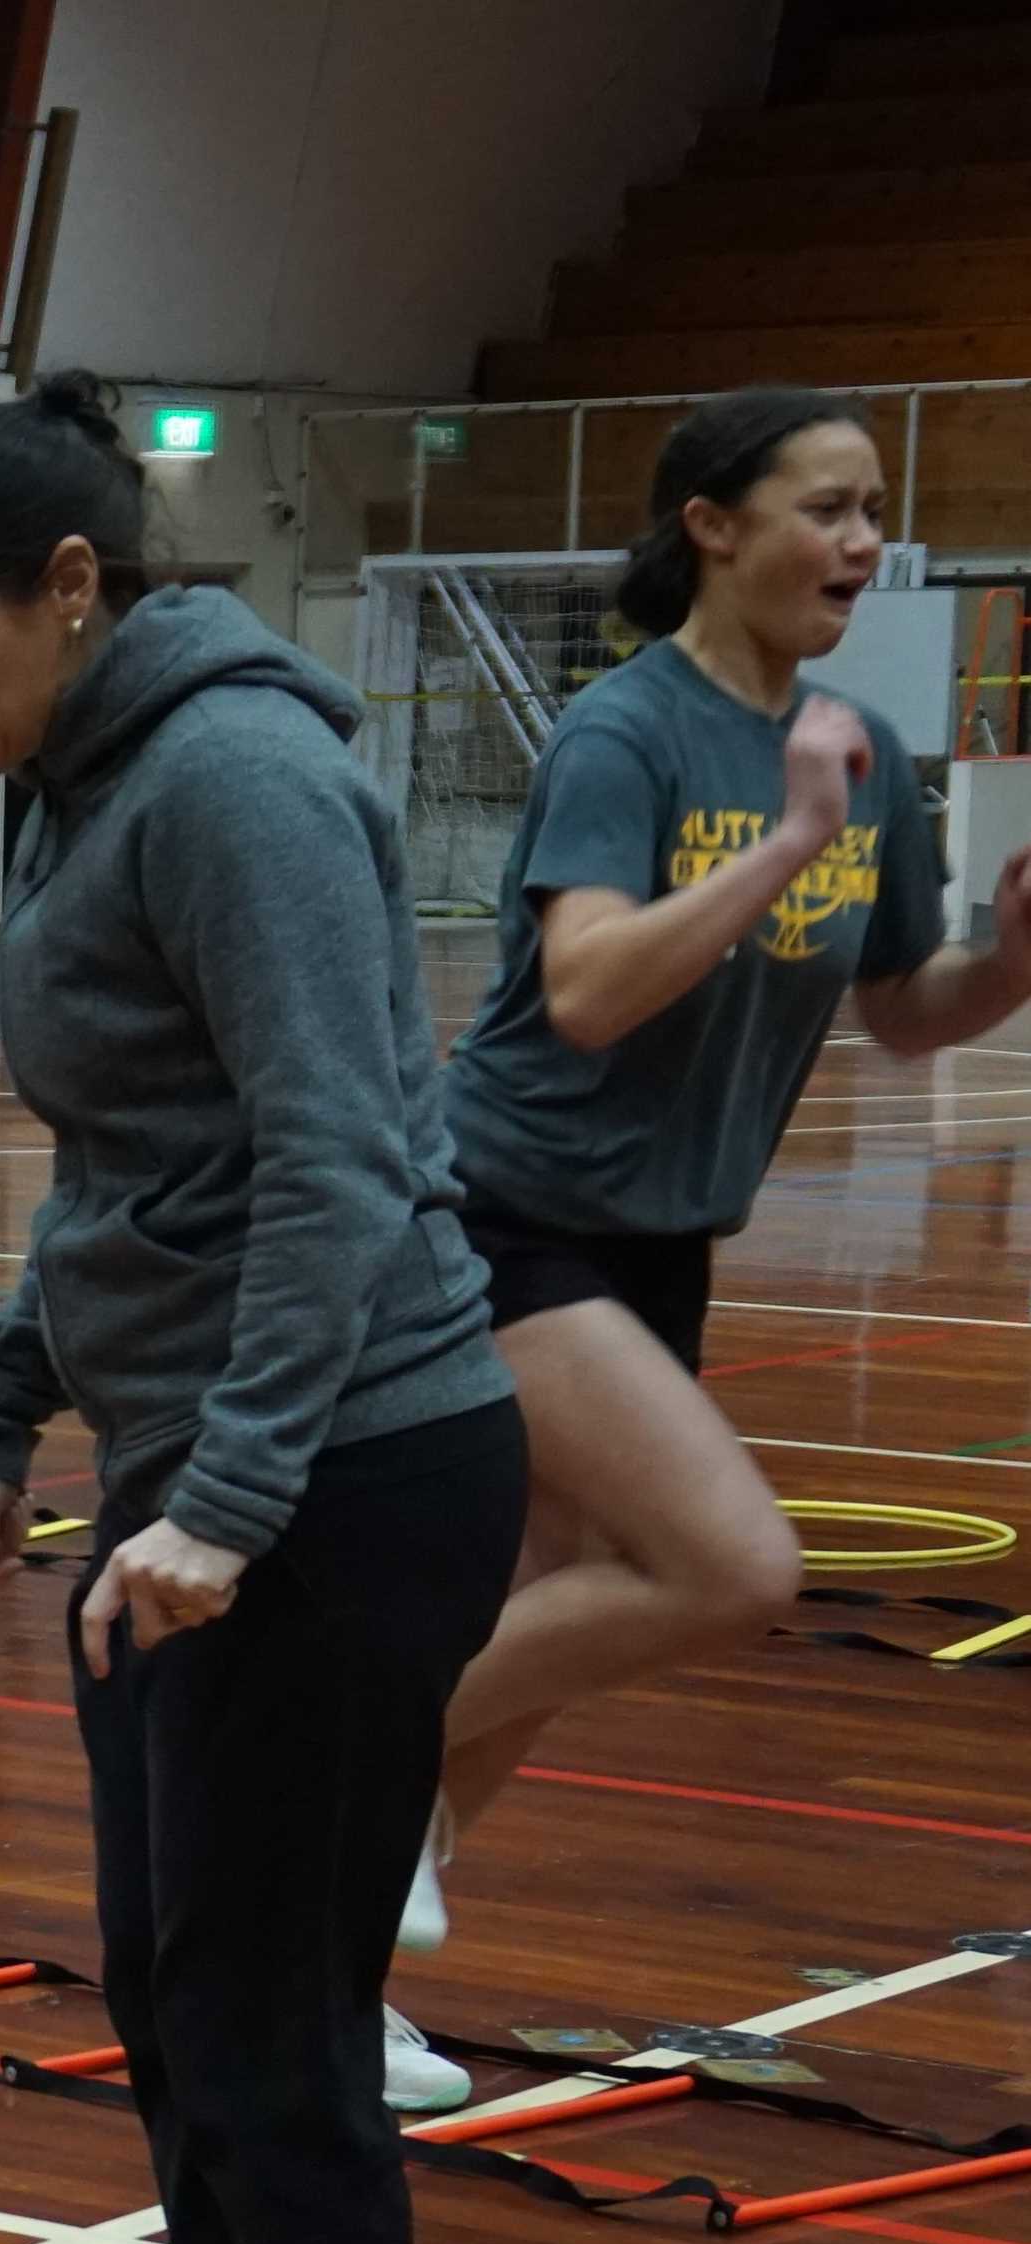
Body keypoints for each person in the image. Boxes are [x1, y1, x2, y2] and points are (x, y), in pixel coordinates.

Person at [0, 374, 527, 2244]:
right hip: (204, 1481)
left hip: (339, 1478)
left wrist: (225, 1500)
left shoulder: (235, 778)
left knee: (276, 2024)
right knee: (182, 2004)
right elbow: (140, 1165)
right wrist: (1, 1401)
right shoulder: (82, 781)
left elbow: (341, 1157)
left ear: (66, 590)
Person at [416, 387, 1031, 1946]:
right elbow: (589, 989)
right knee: (731, 1564)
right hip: (508, 1209)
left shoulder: (862, 753)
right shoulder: (629, 728)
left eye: (876, 509)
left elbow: (903, 1015)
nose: (865, 542)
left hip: (661, 1231)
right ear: (712, 525)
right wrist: (783, 838)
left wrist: (1019, 957)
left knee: (562, 1596)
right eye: (828, 507)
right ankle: (331, 1771)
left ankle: (336, 1956)